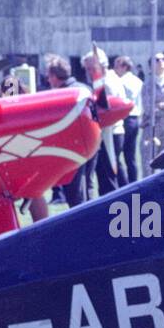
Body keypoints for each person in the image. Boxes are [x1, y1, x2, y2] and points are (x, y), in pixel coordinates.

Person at [43, 54, 93, 207]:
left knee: (73, 192)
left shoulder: (61, 95)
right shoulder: (85, 88)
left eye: (49, 76)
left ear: (54, 76)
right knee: (87, 188)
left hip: (73, 148)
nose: (48, 80)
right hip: (91, 145)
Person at [81, 46, 122, 197]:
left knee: (107, 176)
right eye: (87, 69)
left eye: (91, 68)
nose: (89, 72)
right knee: (106, 175)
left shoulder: (107, 83)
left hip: (109, 133)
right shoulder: (109, 79)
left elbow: (106, 111)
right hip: (109, 133)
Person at [114, 55, 143, 182]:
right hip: (135, 118)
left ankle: (123, 183)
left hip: (125, 118)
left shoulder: (120, 82)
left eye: (116, 66)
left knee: (117, 154)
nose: (114, 69)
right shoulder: (138, 81)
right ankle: (133, 182)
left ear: (124, 67)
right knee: (130, 156)